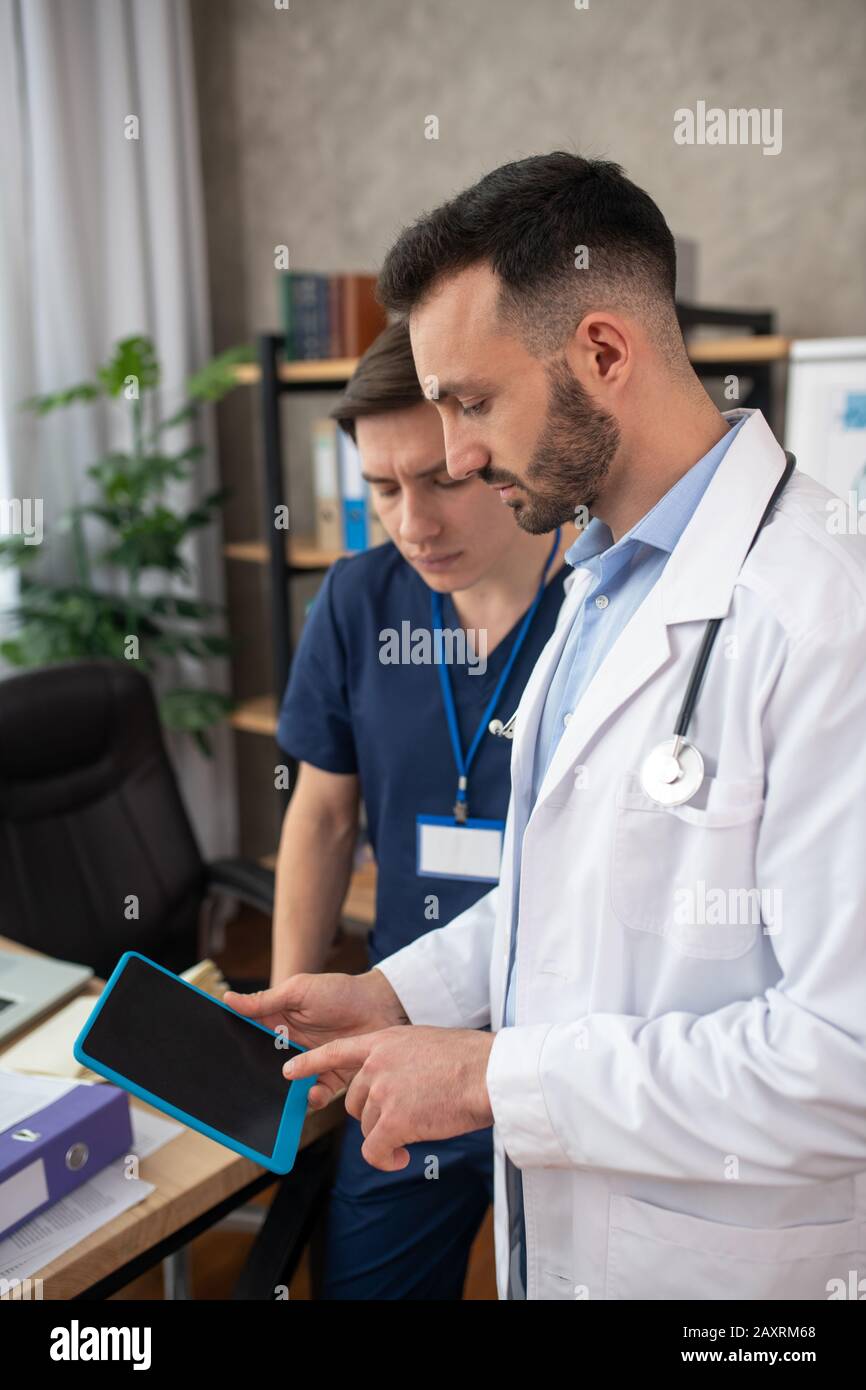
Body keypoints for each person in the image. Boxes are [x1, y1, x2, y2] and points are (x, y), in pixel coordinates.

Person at [228, 154, 866, 1301]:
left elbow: (845, 1060)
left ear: (604, 354)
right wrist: (403, 993)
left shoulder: (828, 612)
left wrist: (494, 1080)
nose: (455, 457)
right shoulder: (599, 578)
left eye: (471, 403)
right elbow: (569, 903)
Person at [257, 320, 570, 1299]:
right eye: (382, 489)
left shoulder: (601, 608)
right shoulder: (357, 600)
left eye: (439, 480)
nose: (412, 522)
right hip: (400, 1029)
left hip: (561, 1047)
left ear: (499, 450)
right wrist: (286, 1014)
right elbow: (320, 818)